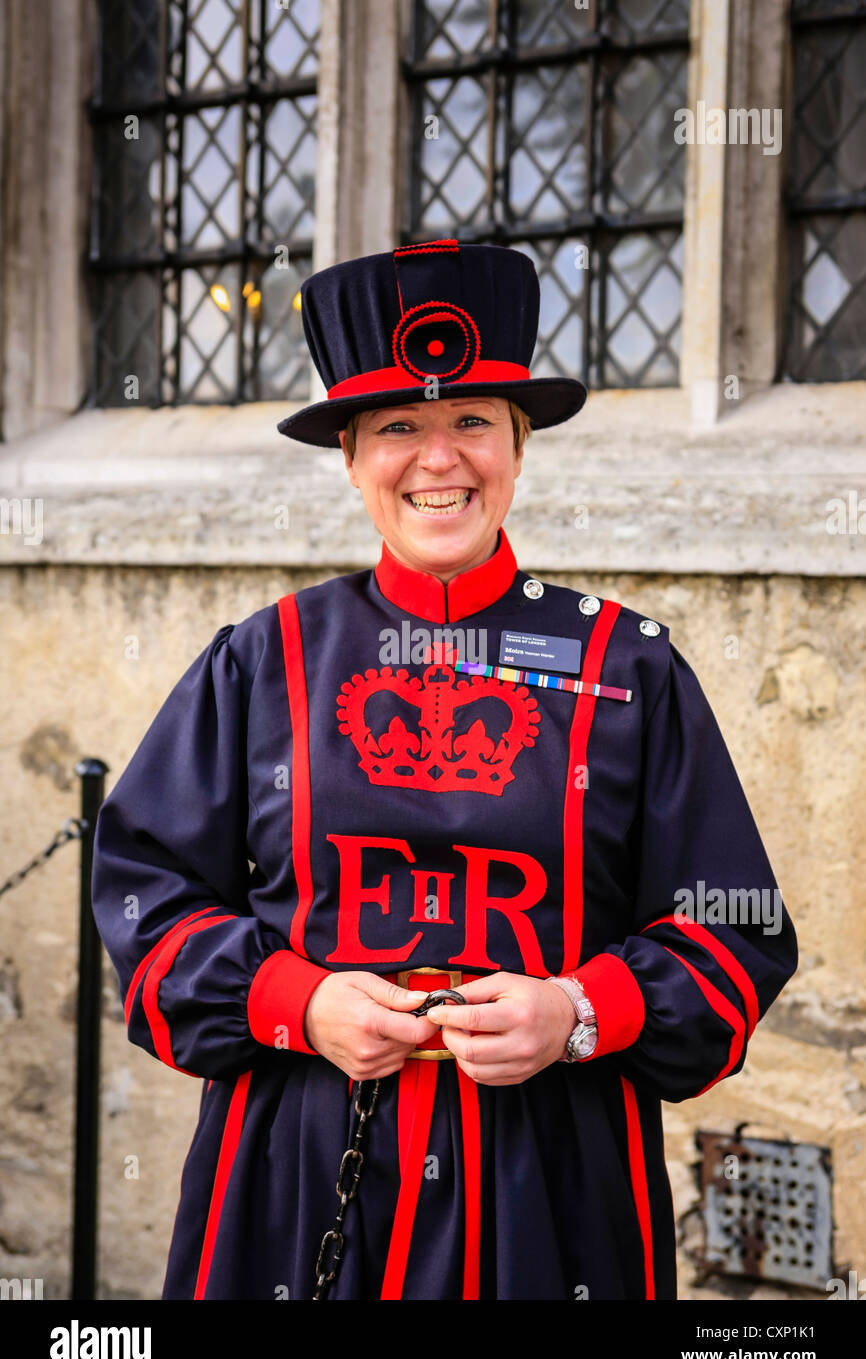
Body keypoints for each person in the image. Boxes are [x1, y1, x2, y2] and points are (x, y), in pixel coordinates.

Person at [91, 238, 798, 1301]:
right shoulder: (262, 657)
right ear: (349, 456)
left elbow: (733, 924)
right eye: (398, 428)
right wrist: (295, 999)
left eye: (472, 420)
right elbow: (143, 893)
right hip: (297, 1157)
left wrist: (578, 1008)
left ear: (518, 444)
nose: (438, 459)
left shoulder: (626, 663)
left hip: (553, 1171)